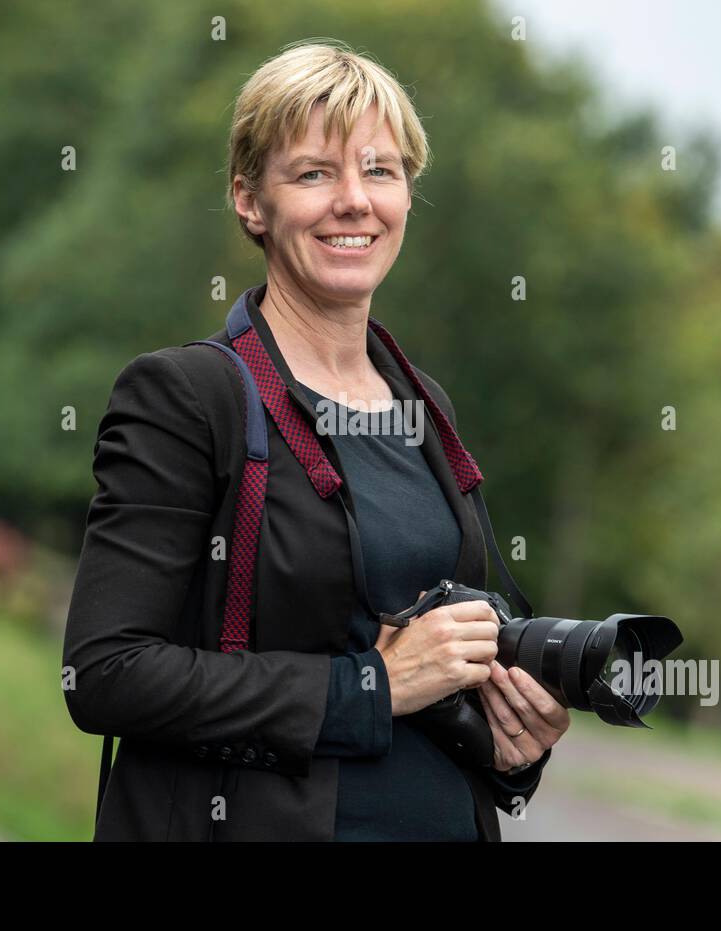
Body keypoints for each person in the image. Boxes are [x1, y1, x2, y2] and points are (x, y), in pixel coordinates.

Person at [63, 40, 569, 842]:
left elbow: (428, 680)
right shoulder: (187, 396)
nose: (354, 201)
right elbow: (105, 673)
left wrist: (510, 742)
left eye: (380, 170)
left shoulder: (423, 404)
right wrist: (369, 687)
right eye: (313, 173)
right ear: (250, 202)